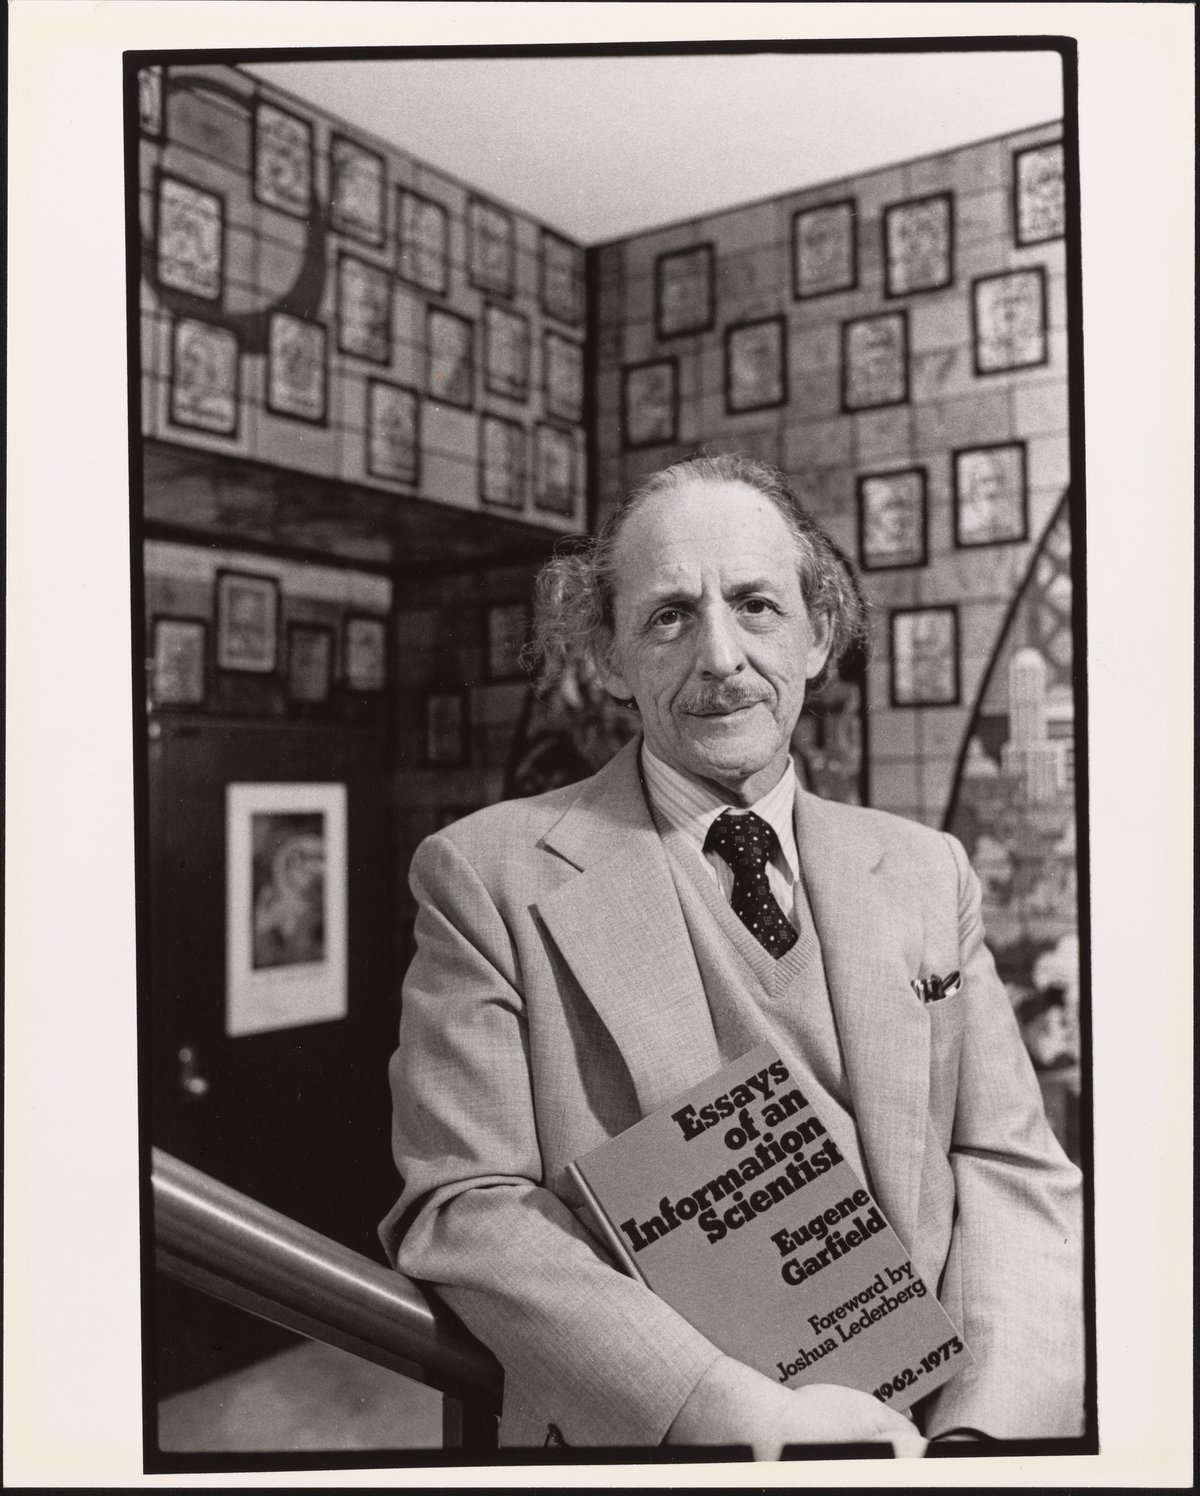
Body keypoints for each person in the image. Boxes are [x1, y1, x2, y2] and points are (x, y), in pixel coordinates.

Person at [380, 453, 1085, 1454]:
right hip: (670, 1442)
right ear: (612, 658)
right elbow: (467, 1208)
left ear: (817, 636)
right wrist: (736, 1417)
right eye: (669, 614)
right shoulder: (485, 875)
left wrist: (980, 1434)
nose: (719, 654)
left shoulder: (930, 872)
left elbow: (1013, 1170)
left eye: (755, 605)